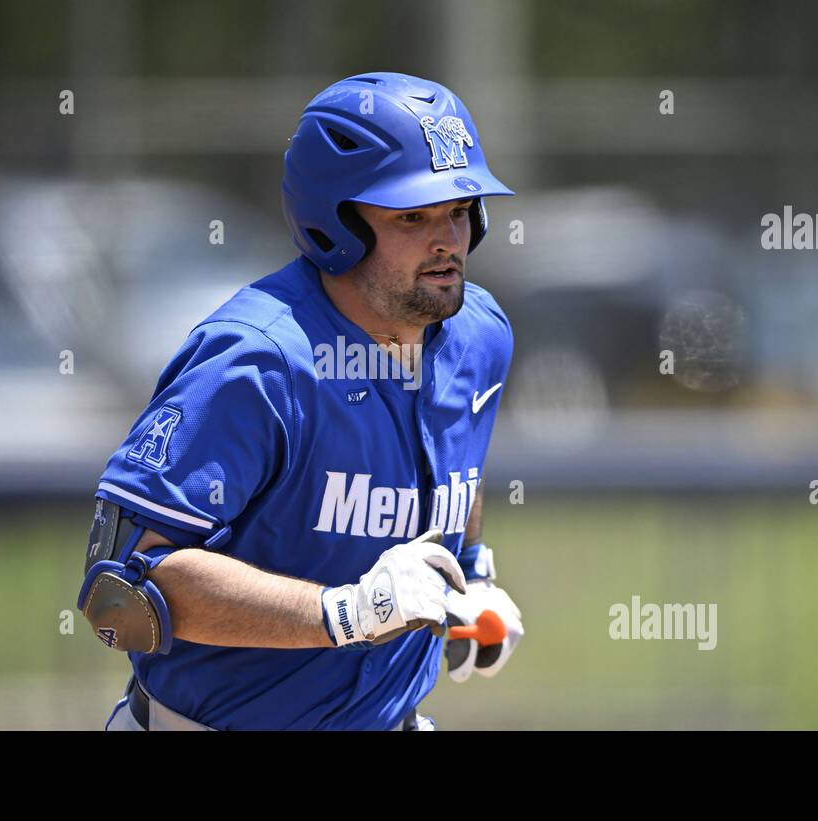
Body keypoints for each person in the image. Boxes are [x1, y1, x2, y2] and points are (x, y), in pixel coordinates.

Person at [79, 72, 524, 730]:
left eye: (458, 210)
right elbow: (123, 590)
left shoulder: (477, 335)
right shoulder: (257, 358)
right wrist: (344, 612)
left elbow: (459, 464)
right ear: (334, 223)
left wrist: (470, 571)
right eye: (411, 215)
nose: (446, 240)